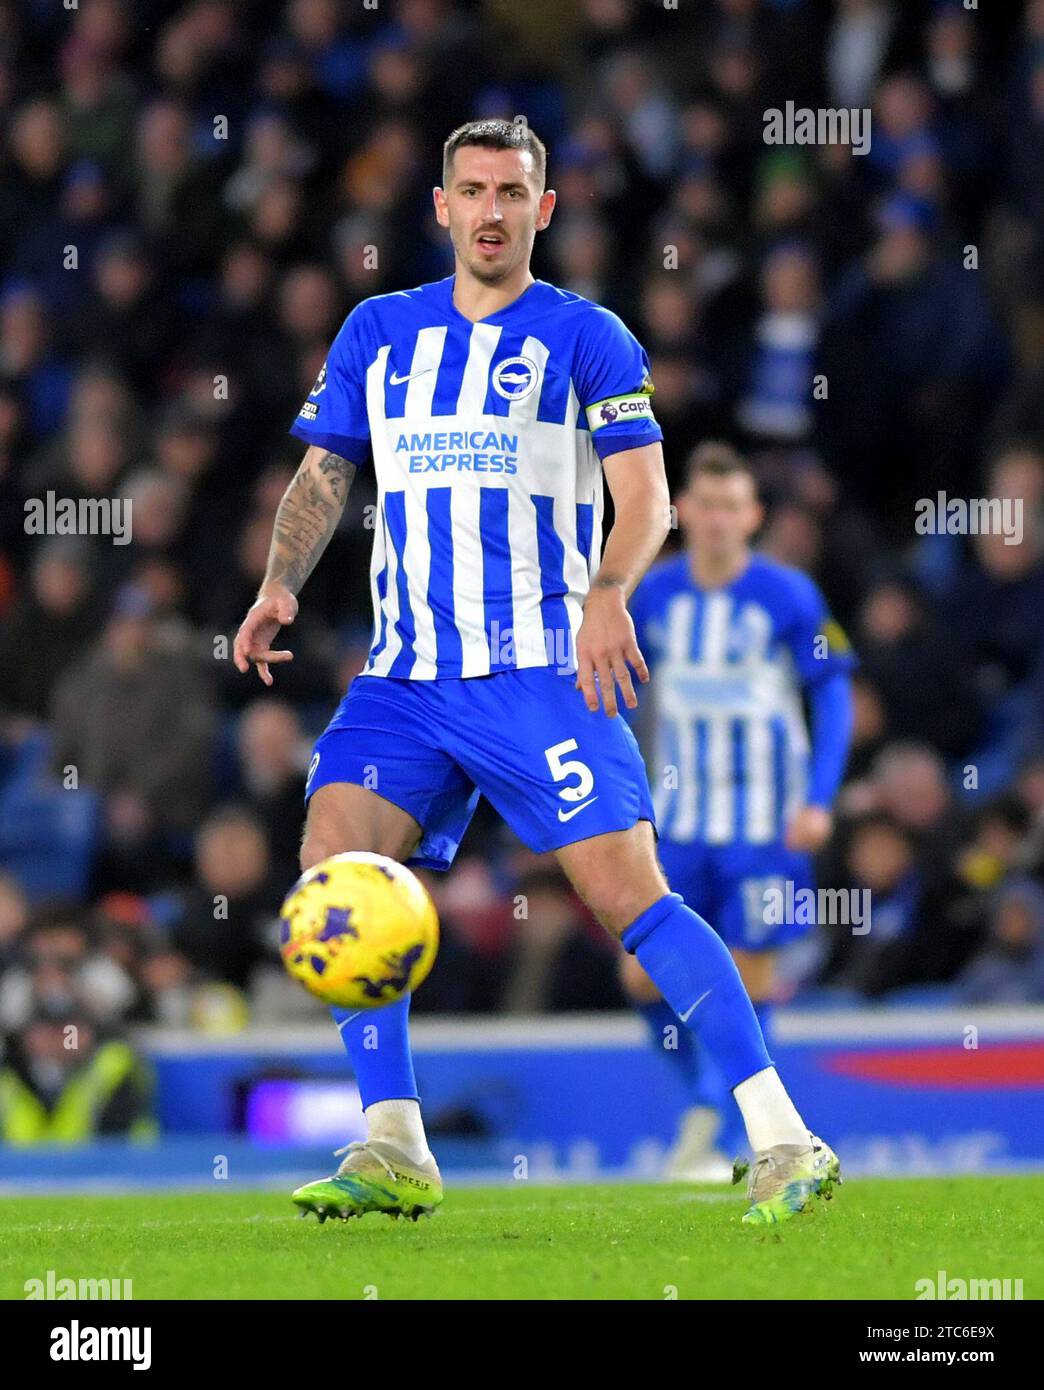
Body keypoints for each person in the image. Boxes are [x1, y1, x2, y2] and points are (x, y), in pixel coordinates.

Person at [234, 118, 840, 1226]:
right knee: (333, 866)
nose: (492, 210)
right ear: (442, 206)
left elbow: (646, 495)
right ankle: (394, 1140)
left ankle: (782, 1135)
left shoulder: (587, 335)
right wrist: (282, 583)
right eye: (473, 190)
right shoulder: (379, 330)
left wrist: (608, 590)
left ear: (543, 210)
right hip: (408, 676)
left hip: (538, 668)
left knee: (628, 897)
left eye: (513, 192)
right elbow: (325, 472)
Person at [621, 443, 855, 1179]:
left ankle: (723, 1133)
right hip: (678, 818)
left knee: (750, 978)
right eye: (706, 505)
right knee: (640, 976)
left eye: (733, 506)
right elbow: (621, 696)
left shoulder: (788, 597)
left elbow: (833, 692)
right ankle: (709, 1107)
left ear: (753, 516)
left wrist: (819, 798)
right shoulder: (653, 597)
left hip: (763, 822)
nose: (718, 520)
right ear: (681, 512)